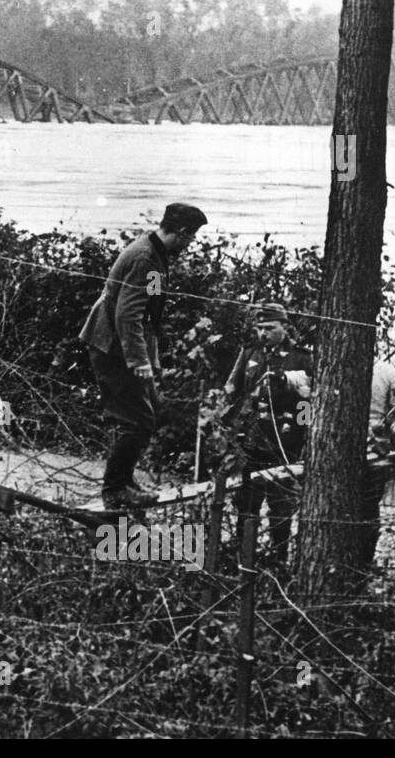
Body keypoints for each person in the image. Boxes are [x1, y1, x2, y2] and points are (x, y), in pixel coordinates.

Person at [79, 203, 208, 509]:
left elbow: (147, 315)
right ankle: (115, 489)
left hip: (120, 343)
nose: (190, 245)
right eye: (191, 238)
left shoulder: (155, 255)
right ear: (181, 232)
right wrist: (138, 361)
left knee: (142, 415)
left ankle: (124, 481)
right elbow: (128, 315)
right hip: (112, 346)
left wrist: (153, 359)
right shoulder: (146, 259)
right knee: (138, 420)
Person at [222, 302, 313, 568]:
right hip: (251, 443)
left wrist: (302, 434)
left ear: (284, 327)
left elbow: (307, 404)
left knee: (281, 508)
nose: (263, 334)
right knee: (246, 505)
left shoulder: (301, 358)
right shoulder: (250, 353)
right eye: (260, 328)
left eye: (270, 328)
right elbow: (233, 389)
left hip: (285, 444)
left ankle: (279, 561)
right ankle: (243, 560)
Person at [359, 357, 395, 565]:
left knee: (367, 508)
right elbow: (308, 402)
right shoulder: (328, 365)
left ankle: (363, 564)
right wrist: (308, 427)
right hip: (334, 449)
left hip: (372, 452)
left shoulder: (387, 373)